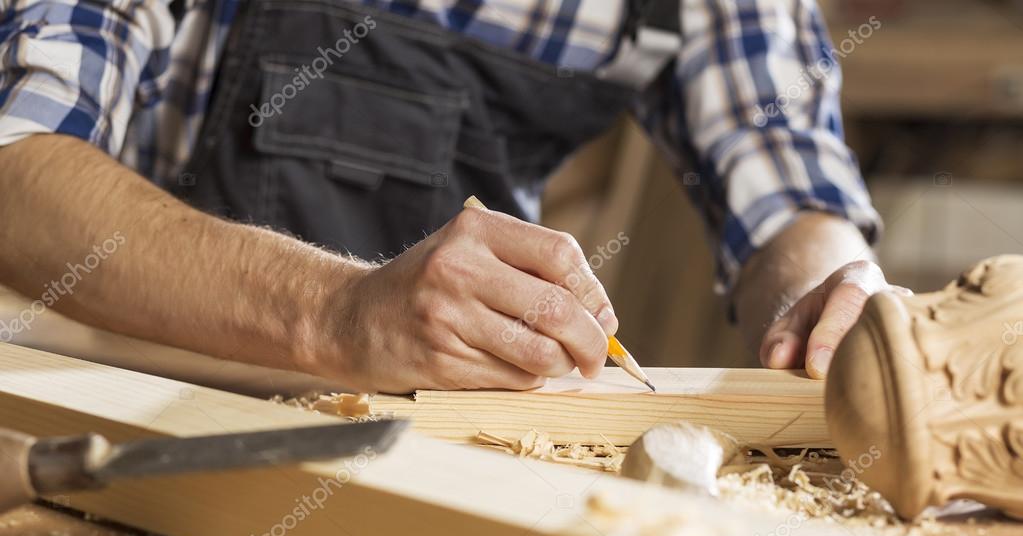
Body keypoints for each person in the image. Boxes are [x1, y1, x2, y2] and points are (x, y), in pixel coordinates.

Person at [0, 0, 901, 394]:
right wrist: (338, 313)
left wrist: (829, 292)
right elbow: (18, 167)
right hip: (138, 394)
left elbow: (788, 180)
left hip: (451, 446)